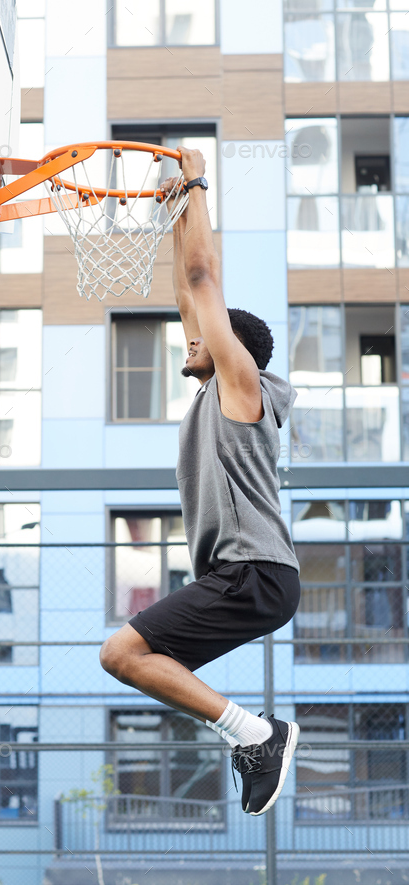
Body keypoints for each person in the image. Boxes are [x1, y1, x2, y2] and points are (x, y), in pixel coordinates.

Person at [99, 146, 301, 817]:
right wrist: (175, 214)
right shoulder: (217, 390)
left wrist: (197, 183)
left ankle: (256, 735)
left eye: (201, 336)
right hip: (244, 576)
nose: (188, 338)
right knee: (129, 655)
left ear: (229, 349)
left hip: (255, 573)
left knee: (122, 650)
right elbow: (188, 289)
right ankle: (252, 734)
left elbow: (204, 277)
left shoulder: (241, 387)